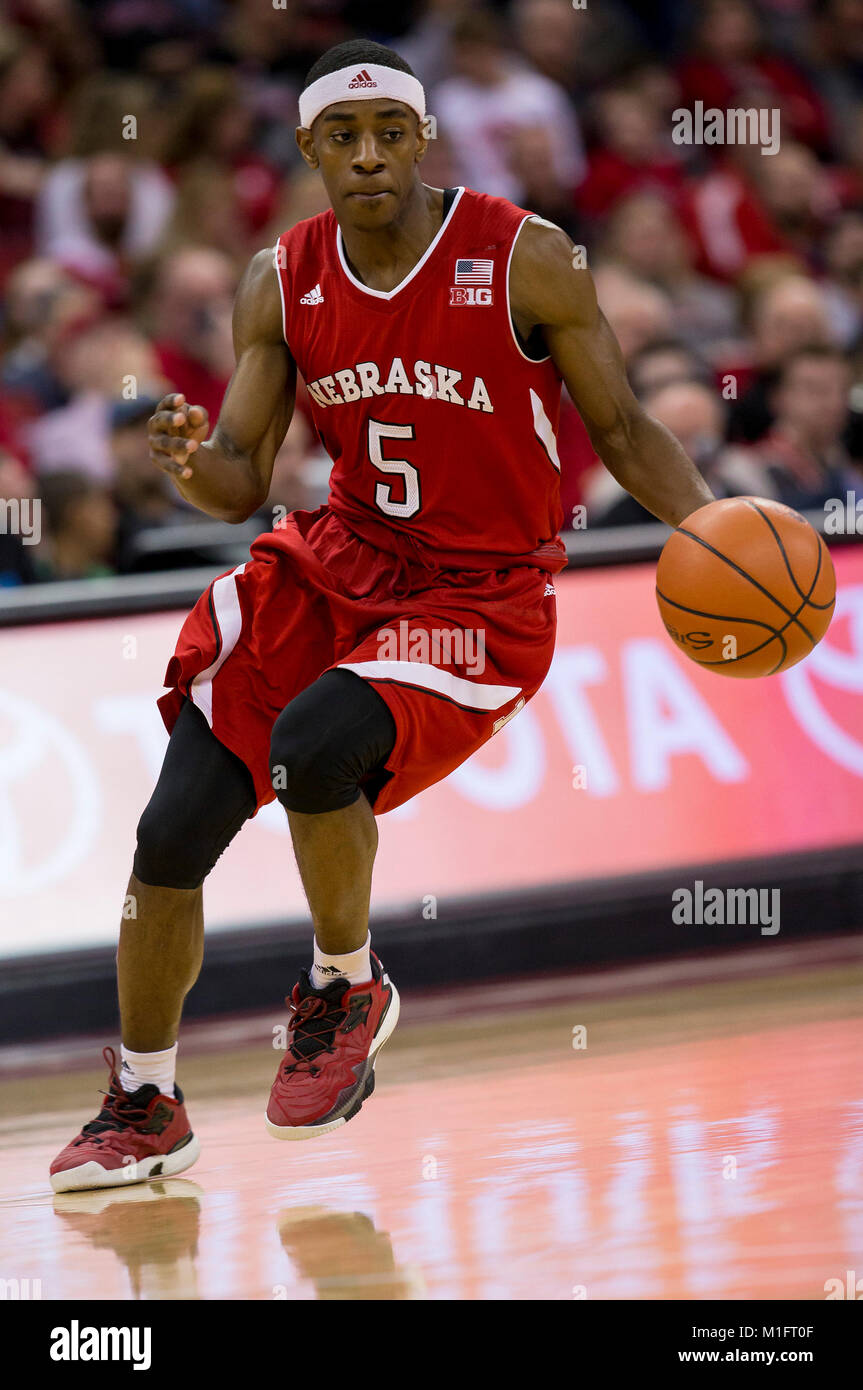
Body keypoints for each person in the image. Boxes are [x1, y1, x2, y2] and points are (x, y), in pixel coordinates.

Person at [49, 38, 713, 1193]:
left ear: (422, 139)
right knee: (171, 831)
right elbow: (240, 479)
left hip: (480, 590)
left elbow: (619, 429)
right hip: (340, 559)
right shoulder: (280, 277)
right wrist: (188, 461)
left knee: (316, 745)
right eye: (341, 139)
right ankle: (145, 1100)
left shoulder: (525, 259)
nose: (366, 157)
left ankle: (343, 980)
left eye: (387, 135)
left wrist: (711, 521)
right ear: (306, 149)